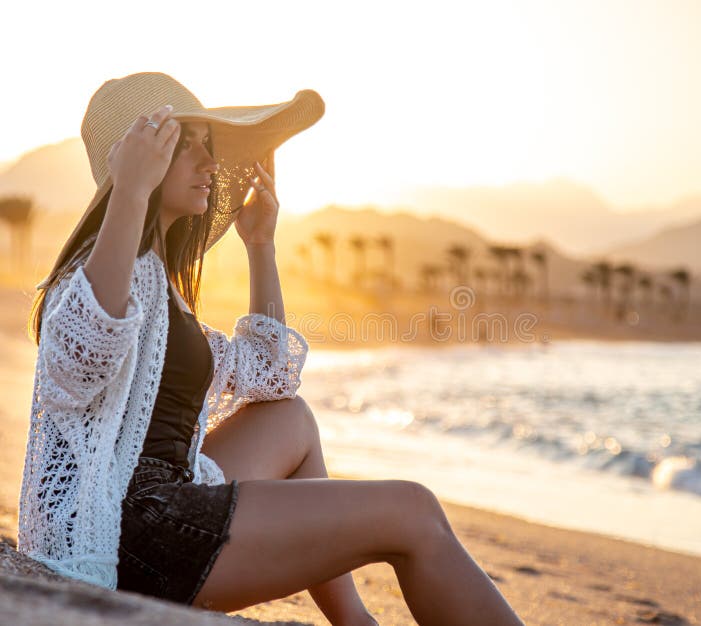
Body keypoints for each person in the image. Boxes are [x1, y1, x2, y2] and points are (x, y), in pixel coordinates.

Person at [18, 72, 525, 625]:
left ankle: (355, 620)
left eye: (206, 145)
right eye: (182, 145)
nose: (207, 162)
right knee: (414, 510)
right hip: (130, 532)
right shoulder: (98, 275)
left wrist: (261, 246)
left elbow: (271, 377)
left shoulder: (158, 286)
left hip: (160, 503)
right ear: (139, 157)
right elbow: (79, 361)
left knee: (292, 418)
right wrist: (131, 193)